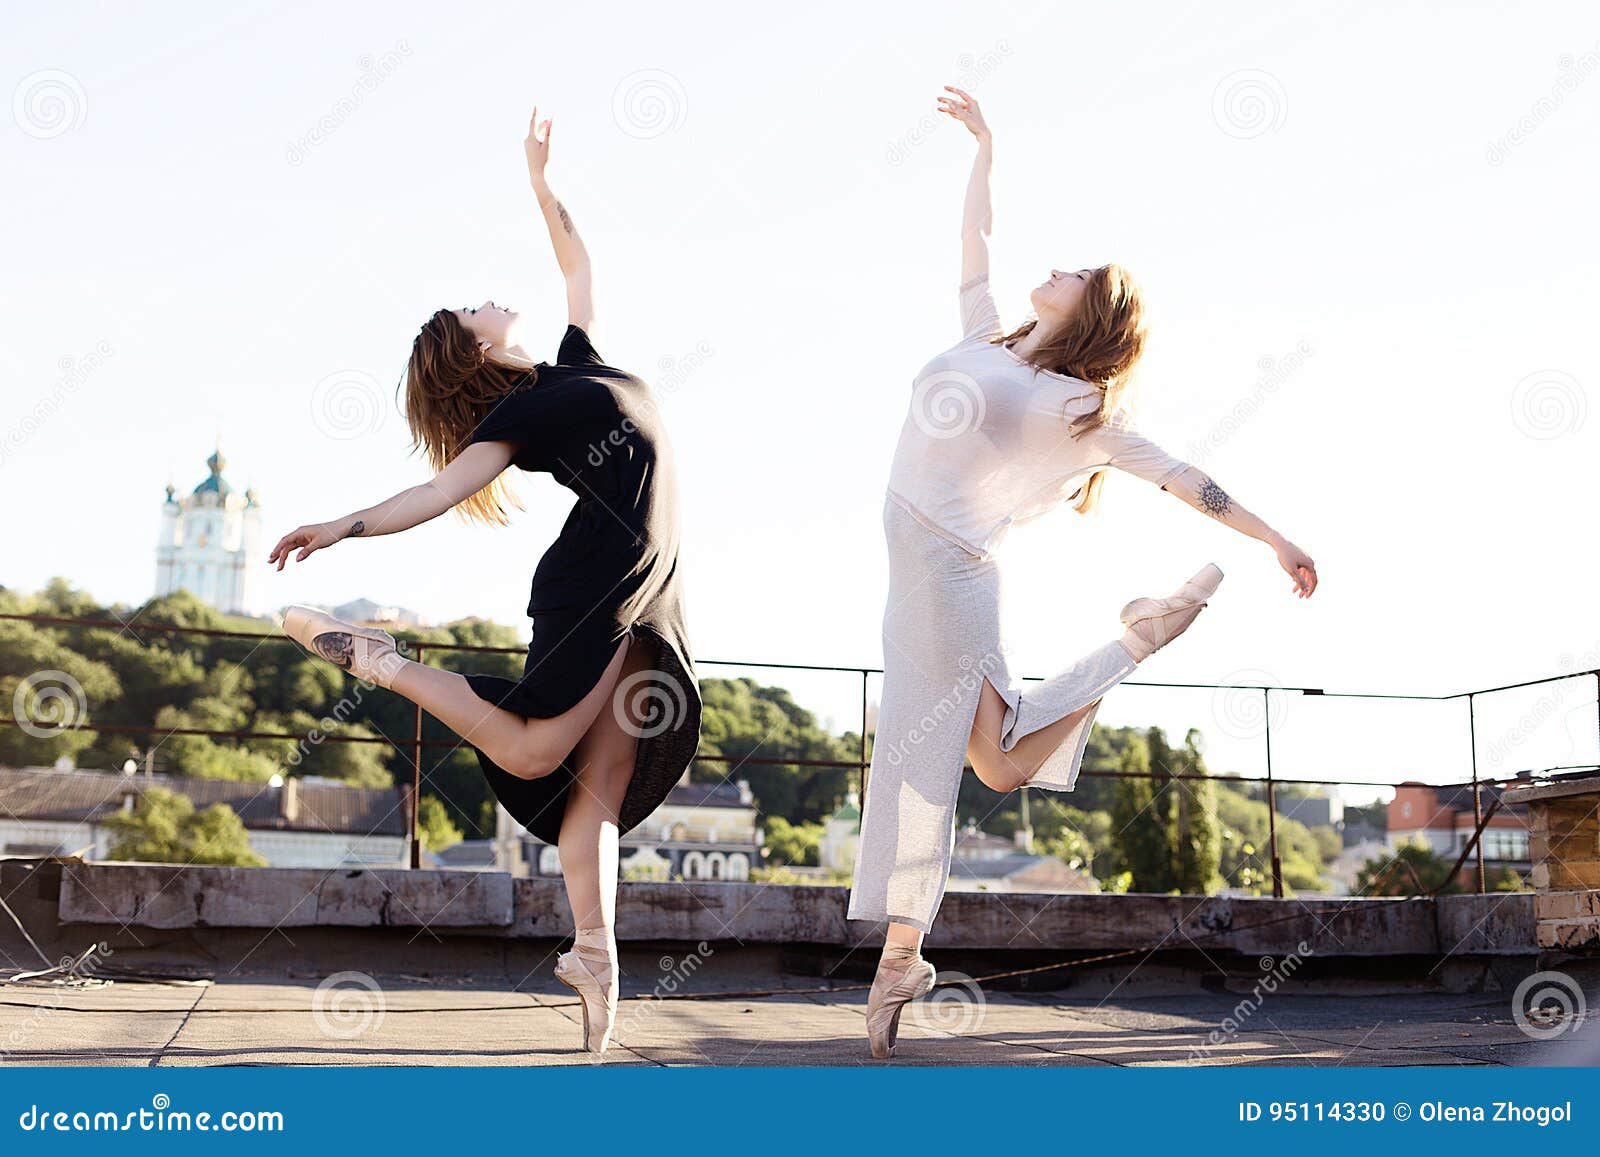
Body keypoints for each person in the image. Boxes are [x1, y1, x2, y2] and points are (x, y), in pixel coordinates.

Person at [849, 87, 1318, 1059]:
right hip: (919, 573)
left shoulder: (1076, 410)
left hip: (947, 570)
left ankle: (901, 952)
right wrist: (985, 145)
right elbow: (974, 240)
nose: (1050, 269)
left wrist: (1274, 538)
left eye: (1073, 271)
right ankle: (1142, 632)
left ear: (1091, 309)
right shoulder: (986, 338)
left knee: (934, 757)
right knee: (998, 761)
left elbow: (1186, 478)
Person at [269, 107, 698, 1056]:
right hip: (595, 579)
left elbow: (581, 273)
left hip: (650, 584)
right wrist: (342, 526)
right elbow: (433, 492)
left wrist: (544, 188)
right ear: (468, 349)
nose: (484, 301)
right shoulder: (517, 416)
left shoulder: (576, 365)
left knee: (603, 791)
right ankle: (381, 663)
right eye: (469, 310)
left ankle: (594, 953)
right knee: (542, 754)